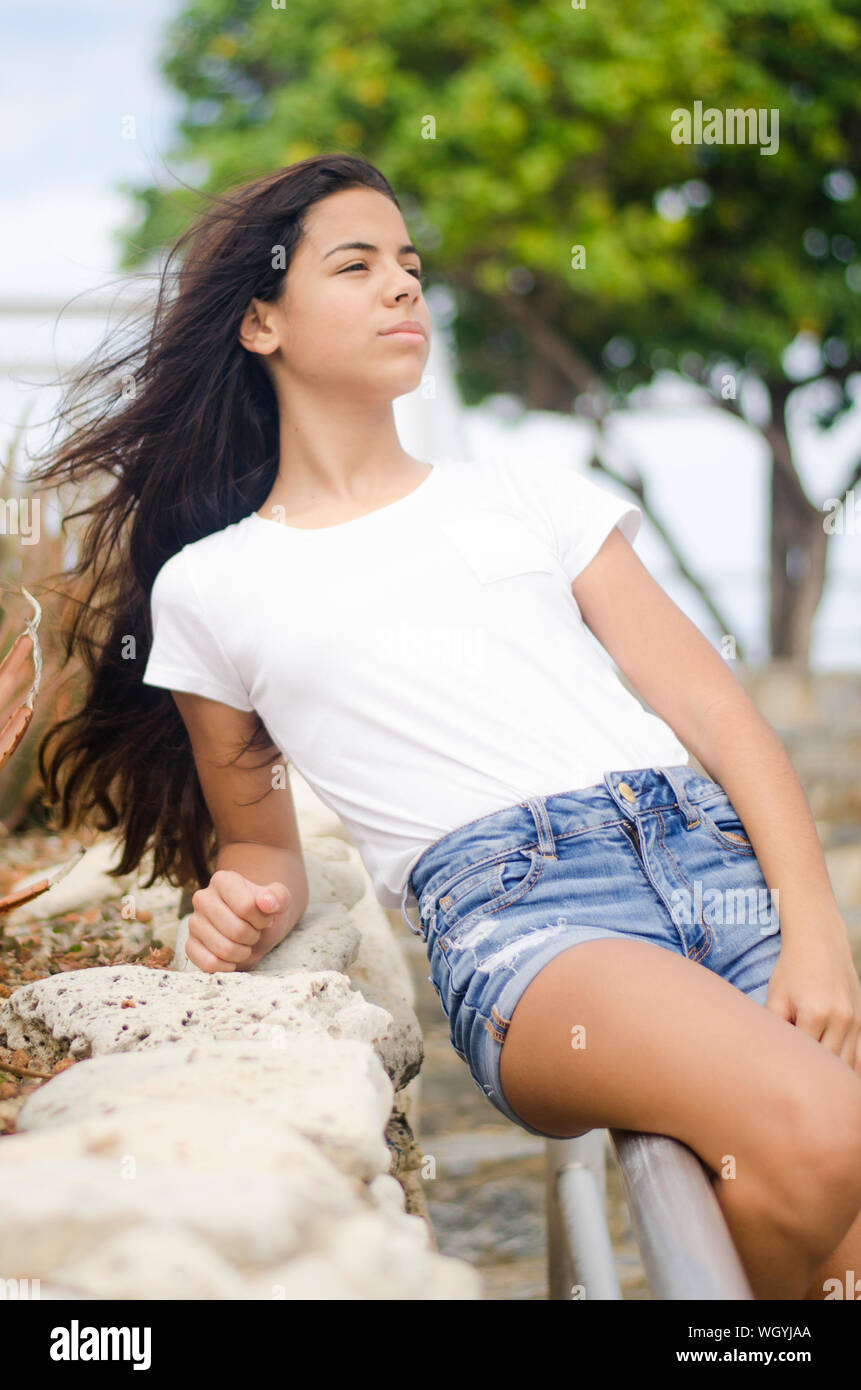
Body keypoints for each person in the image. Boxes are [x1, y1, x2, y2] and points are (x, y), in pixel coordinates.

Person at [28, 153, 861, 1301]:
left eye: (411, 266)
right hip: (530, 919)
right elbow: (261, 846)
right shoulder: (210, 590)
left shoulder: (524, 493)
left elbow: (718, 712)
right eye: (358, 264)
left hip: (711, 856)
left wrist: (817, 927)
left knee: (824, 1208)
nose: (404, 287)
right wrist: (238, 906)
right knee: (823, 1134)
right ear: (260, 321)